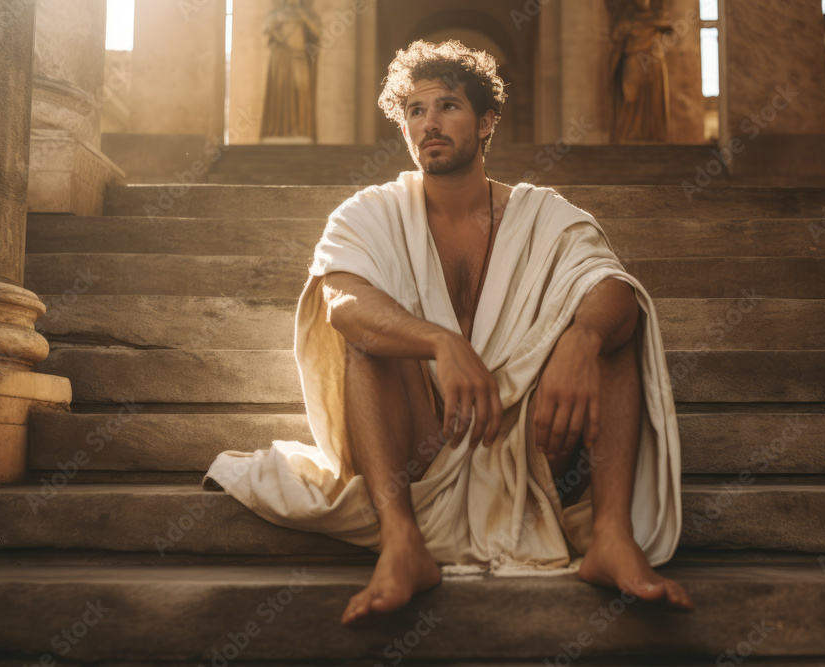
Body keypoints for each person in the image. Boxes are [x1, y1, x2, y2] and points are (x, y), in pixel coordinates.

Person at [203, 39, 693, 629]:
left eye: (448, 106)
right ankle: (402, 544)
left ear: (487, 121)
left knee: (612, 330)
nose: (429, 122)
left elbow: (611, 286)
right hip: (421, 444)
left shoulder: (542, 213)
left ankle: (613, 538)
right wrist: (441, 342)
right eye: (414, 110)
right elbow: (344, 302)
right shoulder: (370, 212)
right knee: (367, 343)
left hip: (526, 446)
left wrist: (580, 340)